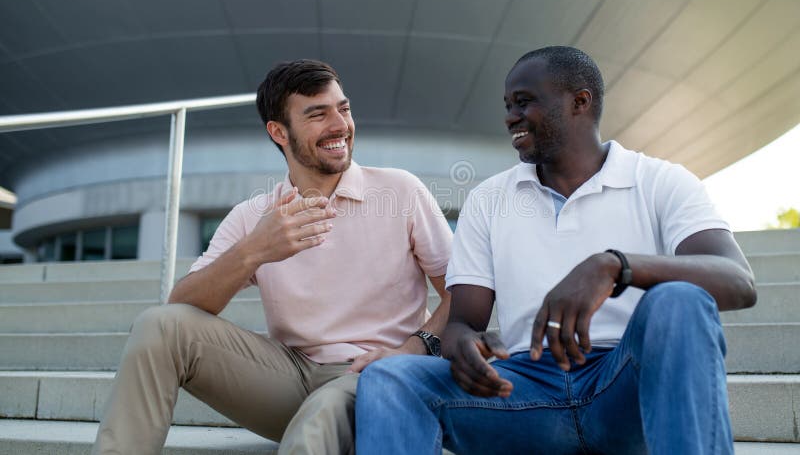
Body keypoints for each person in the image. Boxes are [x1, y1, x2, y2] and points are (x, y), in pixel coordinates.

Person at [355, 46, 757, 455]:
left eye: (524, 101)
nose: (511, 116)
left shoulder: (660, 181)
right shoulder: (489, 198)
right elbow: (463, 322)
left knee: (680, 300)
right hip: (522, 390)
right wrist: (463, 348)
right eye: (508, 105)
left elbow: (739, 281)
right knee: (390, 379)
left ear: (580, 102)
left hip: (626, 385)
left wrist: (614, 266)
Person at [92, 59, 453, 455]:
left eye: (344, 109)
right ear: (279, 132)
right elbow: (183, 306)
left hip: (373, 376)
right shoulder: (255, 216)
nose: (340, 125)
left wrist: (416, 347)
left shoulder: (401, 191)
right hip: (288, 375)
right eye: (318, 114)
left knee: (320, 417)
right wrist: (253, 251)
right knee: (159, 326)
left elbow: (462, 293)